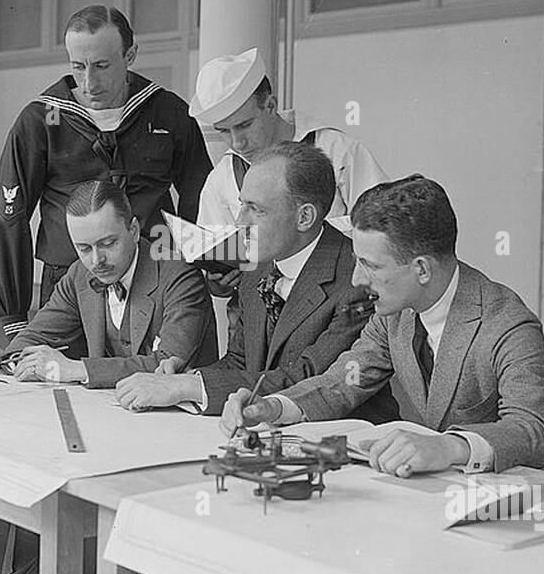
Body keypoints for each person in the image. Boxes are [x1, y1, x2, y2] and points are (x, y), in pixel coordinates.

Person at [221, 174, 544, 476]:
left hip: (522, 498)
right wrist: (275, 406)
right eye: (356, 261)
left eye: (371, 266)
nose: (356, 279)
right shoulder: (393, 311)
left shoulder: (507, 325)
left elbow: (535, 429)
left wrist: (451, 447)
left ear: (422, 270)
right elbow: (344, 380)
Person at [112, 140, 396, 423]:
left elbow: (305, 378)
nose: (239, 221)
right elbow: (239, 361)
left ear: (305, 217)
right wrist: (190, 376)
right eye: (241, 205)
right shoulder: (258, 265)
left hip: (345, 445)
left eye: (255, 209)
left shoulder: (357, 280)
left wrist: (189, 387)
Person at [0, 5, 212, 340]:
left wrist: (209, 265)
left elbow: (201, 197)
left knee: (149, 383)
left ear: (130, 54)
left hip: (155, 277)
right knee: (60, 384)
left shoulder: (169, 112)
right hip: (69, 283)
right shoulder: (42, 119)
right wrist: (14, 314)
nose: (90, 82)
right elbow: (7, 217)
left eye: (102, 66)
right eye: (78, 67)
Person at [188, 47, 388, 300]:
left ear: (270, 106)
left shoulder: (338, 151)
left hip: (341, 303)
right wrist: (219, 281)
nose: (237, 143)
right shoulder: (221, 179)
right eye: (224, 131)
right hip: (255, 316)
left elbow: (384, 227)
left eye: (244, 125)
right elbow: (216, 264)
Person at [0, 177, 217, 388]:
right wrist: (23, 362)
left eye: (108, 243)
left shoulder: (180, 276)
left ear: (133, 230)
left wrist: (76, 369)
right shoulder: (78, 274)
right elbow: (27, 341)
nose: (96, 260)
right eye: (84, 248)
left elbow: (168, 365)